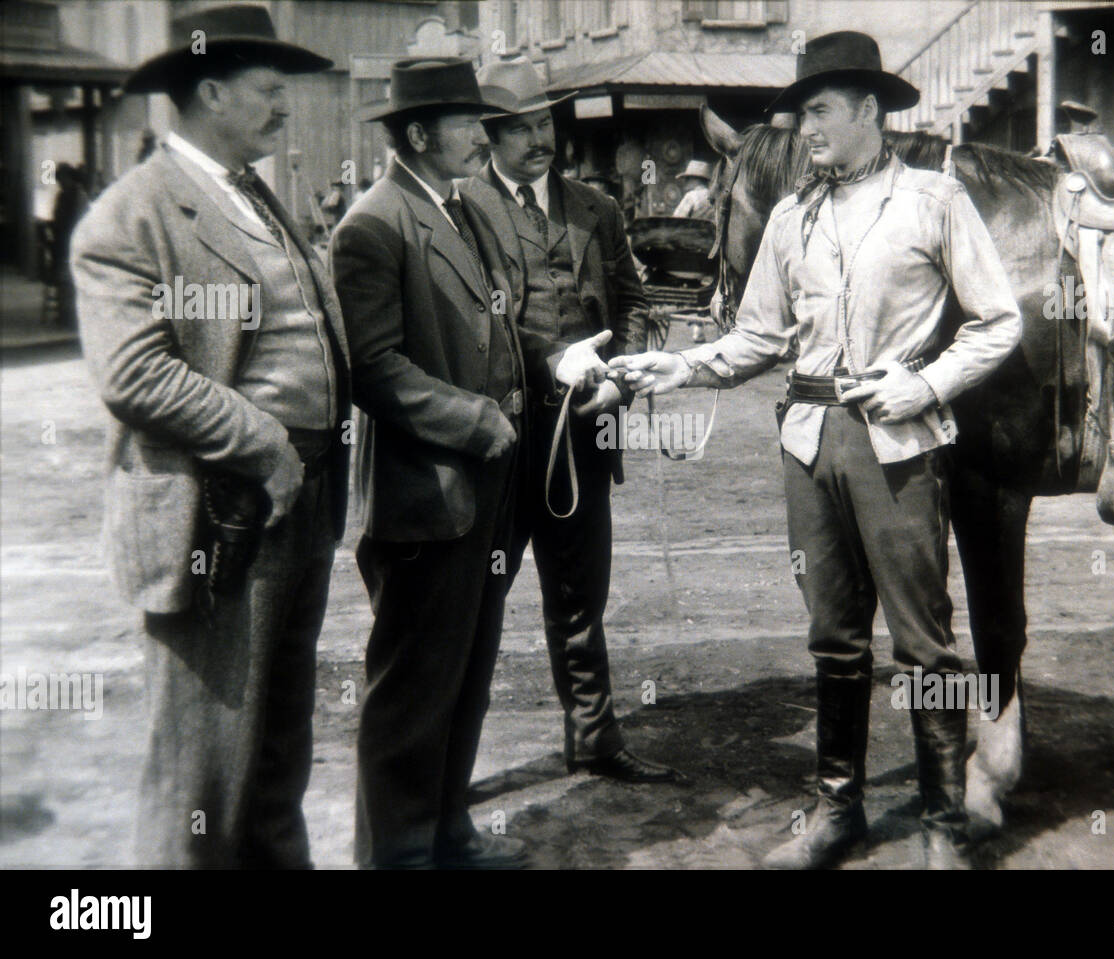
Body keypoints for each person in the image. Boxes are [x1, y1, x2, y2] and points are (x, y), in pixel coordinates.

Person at [612, 30, 1022, 869]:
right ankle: (840, 807)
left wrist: (928, 385)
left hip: (898, 445)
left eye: (823, 111)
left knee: (924, 642)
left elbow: (999, 321)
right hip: (809, 444)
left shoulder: (933, 201)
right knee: (834, 637)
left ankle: (945, 820)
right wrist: (674, 367)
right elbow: (756, 337)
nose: (807, 130)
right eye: (802, 115)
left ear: (871, 111)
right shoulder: (793, 217)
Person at [71, 4, 349, 867]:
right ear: (212, 89)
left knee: (276, 750)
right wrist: (266, 443)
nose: (284, 109)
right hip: (217, 520)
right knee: (201, 773)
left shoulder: (256, 194)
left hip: (298, 510)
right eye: (270, 92)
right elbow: (135, 376)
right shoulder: (131, 216)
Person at [330, 57, 614, 869]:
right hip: (427, 494)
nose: (481, 135)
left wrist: (555, 361)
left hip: (478, 493)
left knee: (465, 676)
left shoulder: (460, 212)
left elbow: (500, 326)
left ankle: (446, 831)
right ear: (420, 134)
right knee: (412, 688)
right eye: (467, 122)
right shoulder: (374, 225)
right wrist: (475, 419)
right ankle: (398, 851)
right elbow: (375, 367)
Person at [461, 57, 681, 784]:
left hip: (587, 435)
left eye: (544, 124)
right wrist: (549, 357)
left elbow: (640, 306)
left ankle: (594, 736)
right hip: (498, 443)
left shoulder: (597, 207)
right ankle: (448, 769)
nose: (537, 140)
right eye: (519, 128)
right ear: (489, 135)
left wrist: (623, 381)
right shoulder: (460, 211)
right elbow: (468, 326)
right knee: (476, 607)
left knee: (582, 595)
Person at [51, 162, 88, 329]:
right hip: (63, 239)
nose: (60, 182)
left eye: (62, 178)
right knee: (64, 278)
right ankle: (65, 313)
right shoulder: (64, 195)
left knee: (71, 279)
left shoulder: (77, 195)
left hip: (72, 239)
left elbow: (80, 219)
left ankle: (71, 316)